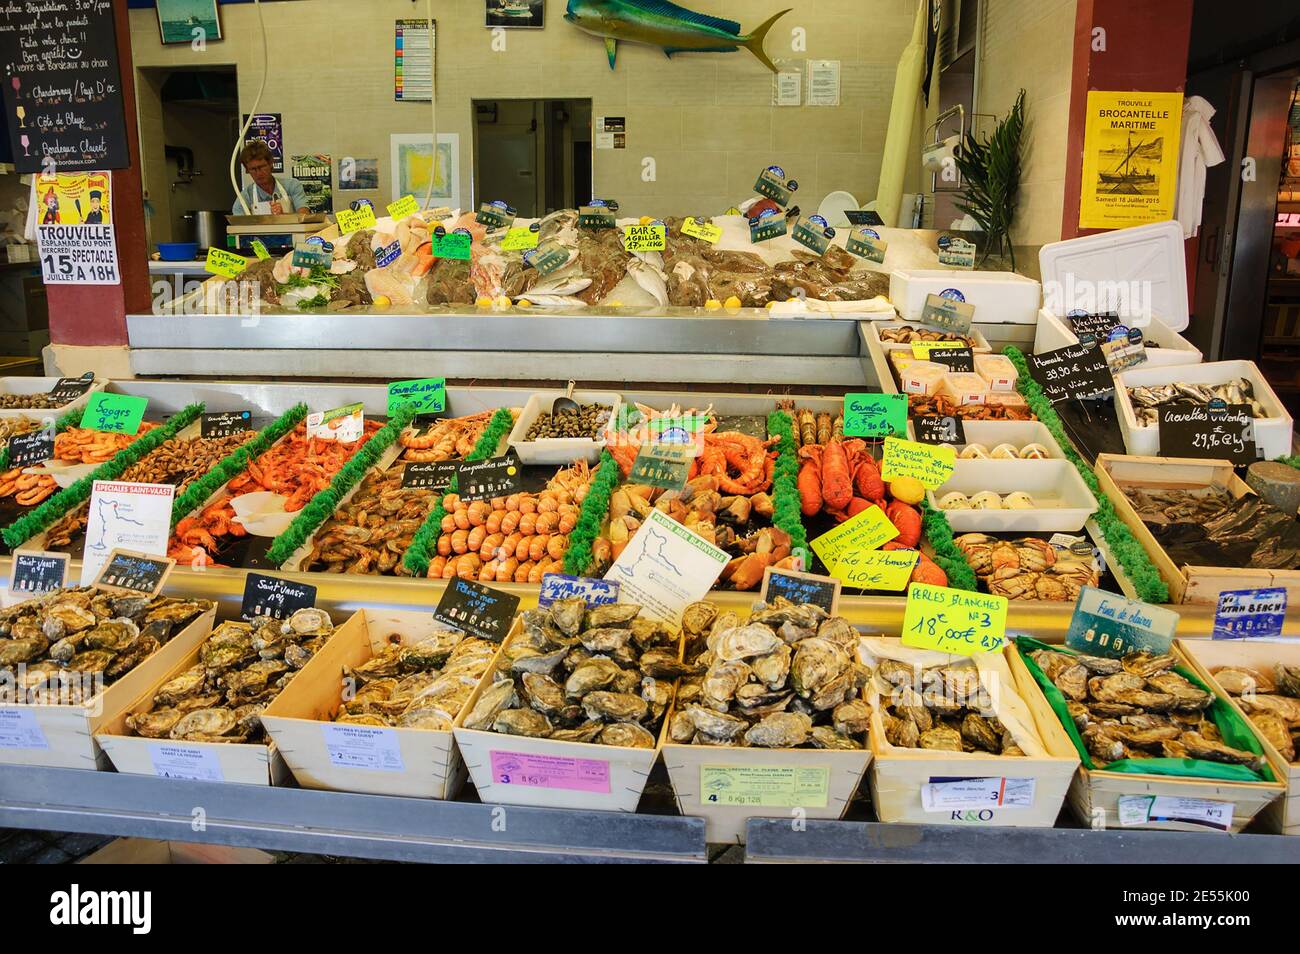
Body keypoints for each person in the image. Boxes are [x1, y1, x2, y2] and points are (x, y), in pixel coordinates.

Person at [231, 140, 309, 215]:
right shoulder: (245, 198)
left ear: (271, 163)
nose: (258, 173)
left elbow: (304, 215)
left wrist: (284, 217)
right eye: (253, 169)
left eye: (261, 167)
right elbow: (239, 226)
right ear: (247, 169)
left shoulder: (292, 185)